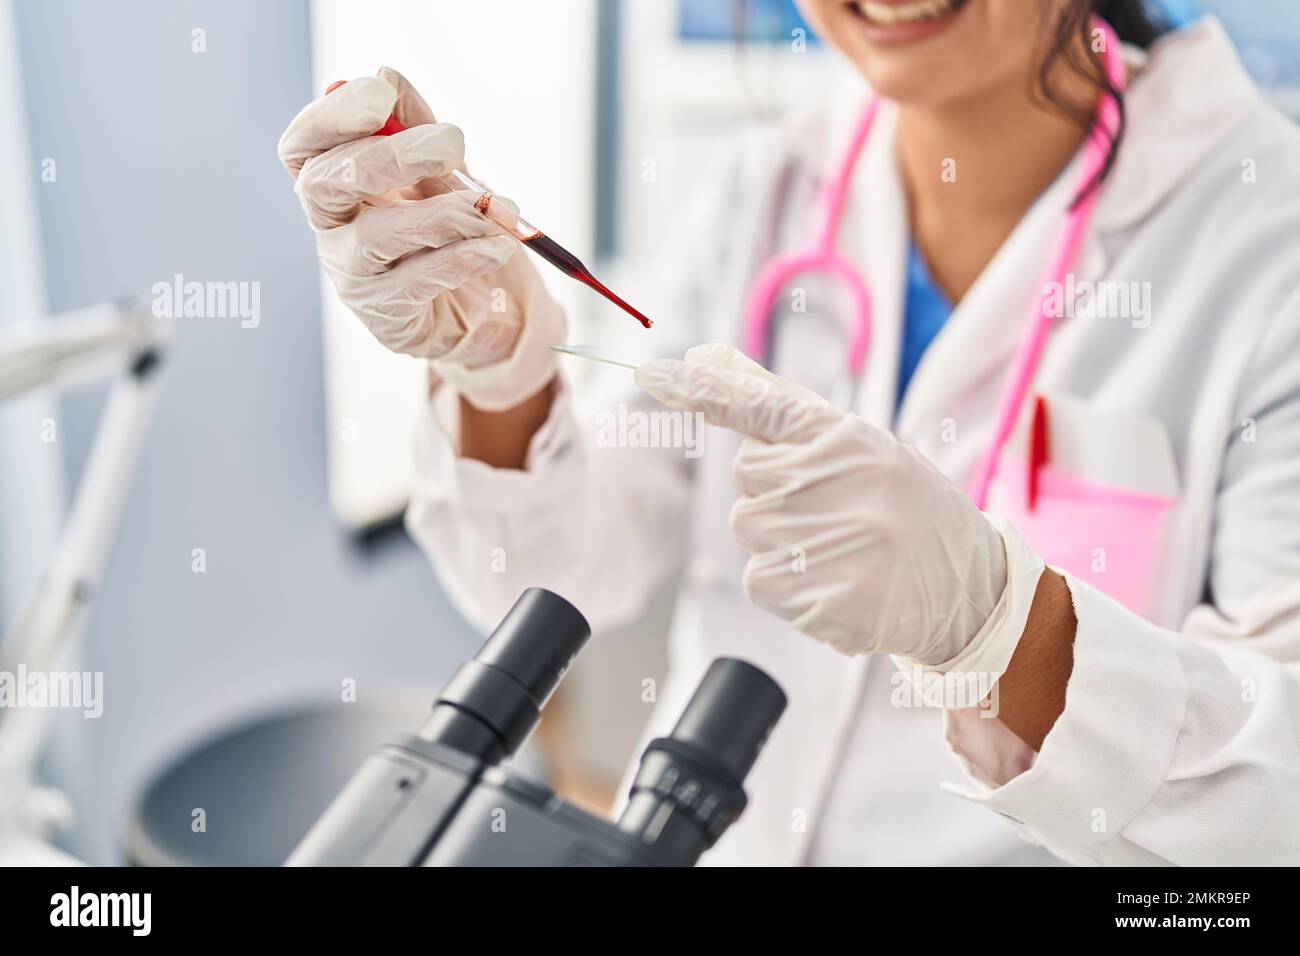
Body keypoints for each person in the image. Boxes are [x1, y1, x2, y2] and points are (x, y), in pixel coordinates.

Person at [277, 0, 1300, 865]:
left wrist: (998, 623)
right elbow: (555, 572)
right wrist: (493, 362)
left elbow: (1275, 795)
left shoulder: (1266, 237)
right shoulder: (758, 185)